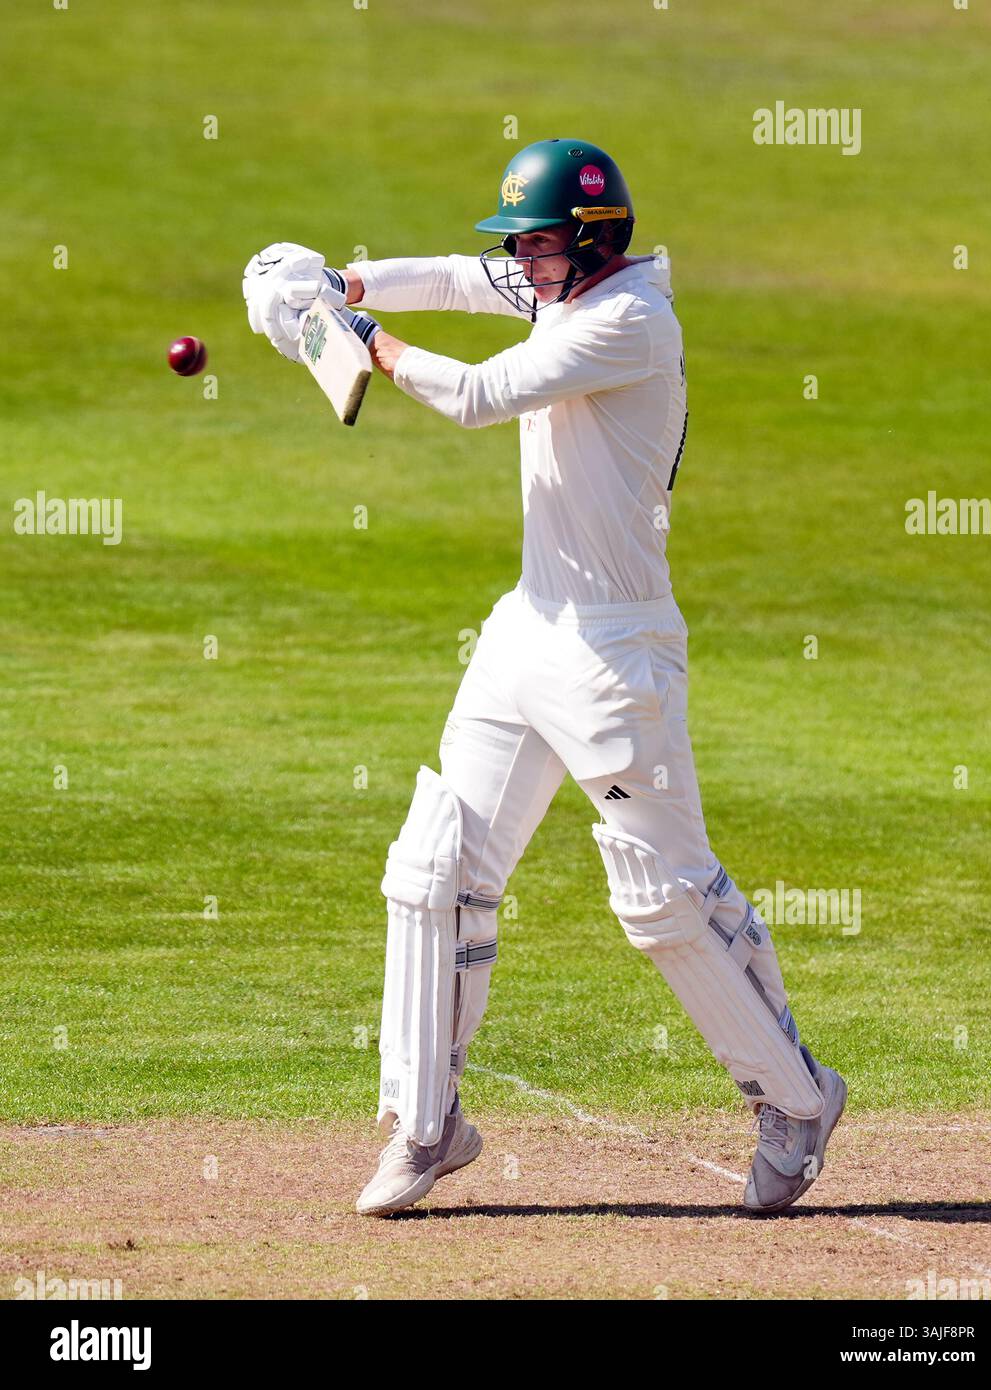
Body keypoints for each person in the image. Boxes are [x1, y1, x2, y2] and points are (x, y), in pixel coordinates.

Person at [242, 138, 847, 1218]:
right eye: (517, 244)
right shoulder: (559, 284)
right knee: (435, 868)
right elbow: (452, 277)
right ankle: (427, 1125)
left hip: (615, 656)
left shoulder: (630, 320)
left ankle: (795, 1101)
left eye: (535, 244)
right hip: (525, 631)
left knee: (663, 898)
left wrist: (352, 336)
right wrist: (340, 281)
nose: (519, 262)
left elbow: (480, 394)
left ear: (593, 239)